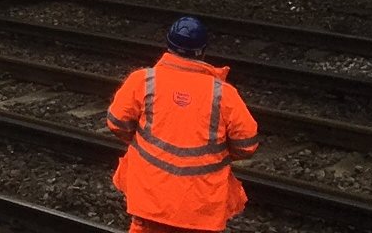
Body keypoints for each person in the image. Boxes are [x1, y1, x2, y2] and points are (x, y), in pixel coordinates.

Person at [106, 16, 259, 233]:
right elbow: (247, 145)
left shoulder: (143, 81)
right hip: (202, 207)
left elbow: (116, 122)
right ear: (203, 51)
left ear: (169, 46)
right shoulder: (223, 94)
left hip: (149, 201)